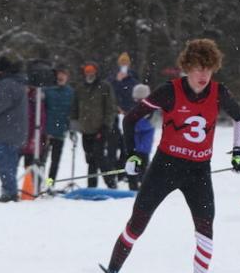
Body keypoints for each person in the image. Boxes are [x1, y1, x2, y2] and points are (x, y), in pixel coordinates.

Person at [92, 38, 240, 273]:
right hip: (165, 166)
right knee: (136, 225)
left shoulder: (218, 92)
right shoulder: (170, 91)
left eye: (208, 69)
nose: (203, 76)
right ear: (187, 68)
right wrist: (133, 155)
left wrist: (237, 153)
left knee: (206, 232)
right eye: (198, 68)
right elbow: (130, 119)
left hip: (198, 171)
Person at [0, 57, 27, 202]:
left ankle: (9, 192)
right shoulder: (18, 83)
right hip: (15, 130)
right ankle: (10, 189)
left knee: (4, 163)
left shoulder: (6, 84)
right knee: (11, 163)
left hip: (3, 131)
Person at [73, 61, 119, 189]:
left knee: (99, 157)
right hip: (85, 129)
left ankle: (111, 183)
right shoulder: (80, 88)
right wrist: (74, 125)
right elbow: (75, 108)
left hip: (100, 129)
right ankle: (91, 185)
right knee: (90, 158)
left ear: (96, 72)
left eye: (91, 70)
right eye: (87, 71)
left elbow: (110, 107)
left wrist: (106, 125)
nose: (89, 73)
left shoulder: (104, 87)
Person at [42, 66, 76, 186]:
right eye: (59, 74)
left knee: (55, 161)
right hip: (46, 132)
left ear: (67, 77)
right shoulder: (48, 91)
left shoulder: (71, 92)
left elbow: (73, 112)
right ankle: (38, 183)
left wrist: (72, 130)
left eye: (64, 74)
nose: (61, 77)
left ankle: (50, 183)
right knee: (42, 160)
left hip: (60, 132)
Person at [127, 83, 156, 181]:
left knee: (143, 168)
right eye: (136, 99)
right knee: (132, 168)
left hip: (144, 147)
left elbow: (148, 125)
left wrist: (133, 126)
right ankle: (132, 185)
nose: (137, 102)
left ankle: (142, 184)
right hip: (134, 145)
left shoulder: (151, 110)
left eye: (139, 99)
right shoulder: (134, 109)